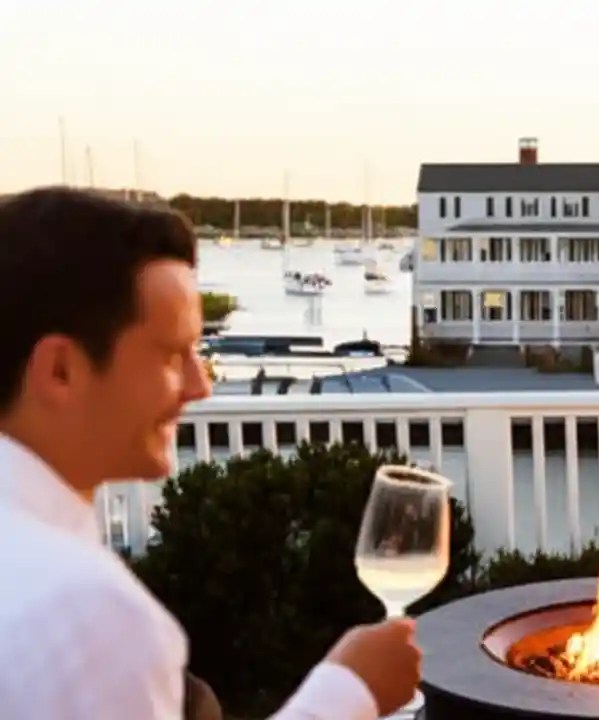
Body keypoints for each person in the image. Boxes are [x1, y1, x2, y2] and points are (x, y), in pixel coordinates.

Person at [0, 188, 422, 719]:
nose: (201, 385)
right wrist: (349, 691)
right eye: (174, 354)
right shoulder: (87, 614)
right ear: (61, 370)